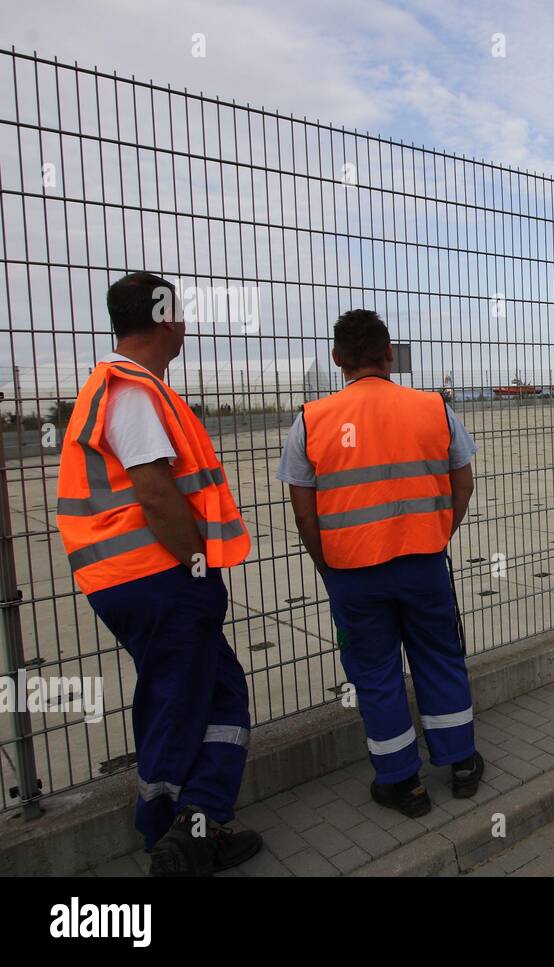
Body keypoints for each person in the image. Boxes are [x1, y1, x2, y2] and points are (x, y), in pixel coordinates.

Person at [55, 273, 260, 877]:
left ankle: (201, 818)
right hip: (155, 575)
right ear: (166, 318)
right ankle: (169, 836)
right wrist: (198, 565)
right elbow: (154, 491)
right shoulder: (133, 392)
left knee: (218, 691)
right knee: (176, 700)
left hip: (138, 578)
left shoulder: (128, 387)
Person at [278, 310, 483, 817]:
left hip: (352, 573)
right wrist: (436, 533)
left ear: (336, 359)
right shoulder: (434, 407)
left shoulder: (311, 420)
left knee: (374, 672)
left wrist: (329, 565)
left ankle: (402, 784)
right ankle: (460, 764)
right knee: (439, 655)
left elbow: (305, 513)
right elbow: (464, 483)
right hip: (424, 563)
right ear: (390, 354)